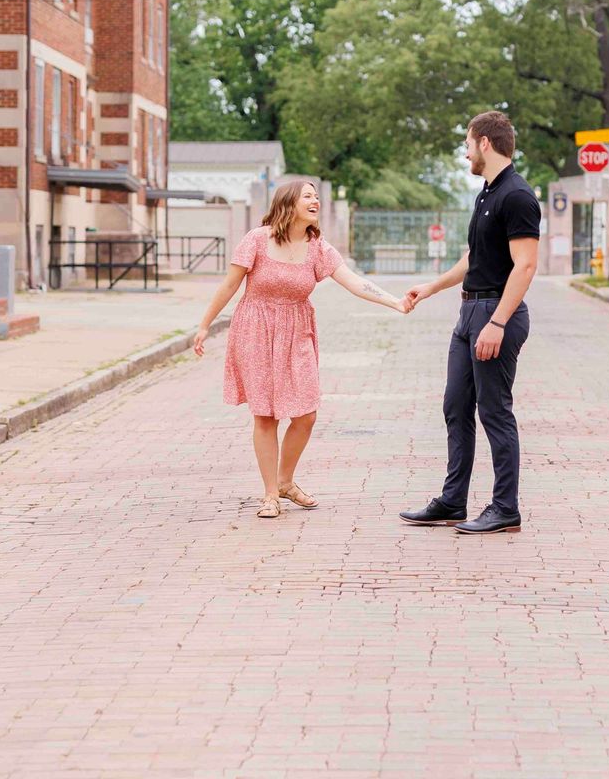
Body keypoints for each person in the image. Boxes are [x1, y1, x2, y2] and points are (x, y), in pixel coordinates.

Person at [194, 179, 411, 519]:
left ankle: (285, 481)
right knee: (266, 415)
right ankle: (270, 494)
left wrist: (395, 302)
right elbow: (230, 284)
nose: (315, 201)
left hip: (297, 332)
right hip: (256, 330)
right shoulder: (257, 240)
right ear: (288, 203)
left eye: (316, 196)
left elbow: (355, 282)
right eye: (307, 196)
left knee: (306, 414)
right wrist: (205, 324)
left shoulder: (318, 248)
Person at [400, 111, 540, 535]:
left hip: (496, 313)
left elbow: (525, 265)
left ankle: (505, 508)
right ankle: (452, 500)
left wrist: (497, 323)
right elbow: (473, 258)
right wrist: (432, 287)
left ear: (484, 143)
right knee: (456, 406)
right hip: (469, 313)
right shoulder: (487, 194)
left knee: (494, 411)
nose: (465, 153)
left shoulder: (517, 196)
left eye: (467, 143)